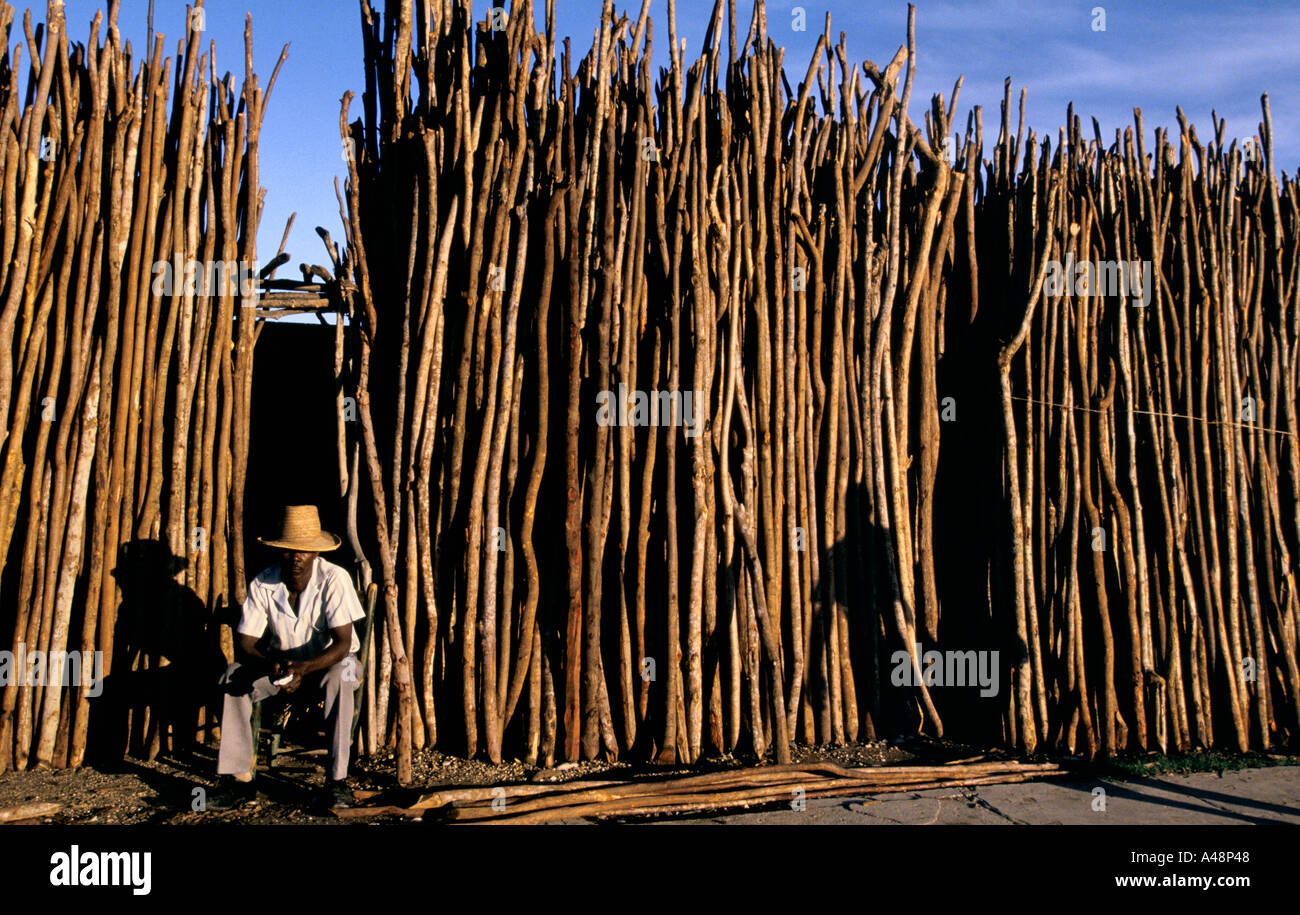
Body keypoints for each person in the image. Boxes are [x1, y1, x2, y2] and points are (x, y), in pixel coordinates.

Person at [210, 505, 364, 810]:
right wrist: (273, 666)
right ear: (278, 551)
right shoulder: (264, 581)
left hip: (329, 664)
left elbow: (343, 644)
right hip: (282, 667)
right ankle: (239, 781)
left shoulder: (334, 579)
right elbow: (246, 643)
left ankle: (337, 782)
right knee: (233, 676)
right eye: (288, 550)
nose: (295, 557)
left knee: (343, 676)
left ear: (315, 553)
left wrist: (303, 669)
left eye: (303, 551)